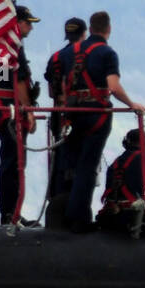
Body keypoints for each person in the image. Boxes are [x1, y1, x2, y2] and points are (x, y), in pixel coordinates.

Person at [64, 11, 145, 233]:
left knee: (72, 163)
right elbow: (113, 86)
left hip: (71, 114)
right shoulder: (107, 53)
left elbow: (58, 84)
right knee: (88, 167)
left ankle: (63, 210)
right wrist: (131, 104)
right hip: (96, 114)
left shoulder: (68, 53)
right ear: (109, 29)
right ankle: (79, 218)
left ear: (90, 29)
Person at [0, 4, 40, 226]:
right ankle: (10, 214)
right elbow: (16, 81)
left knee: (11, 163)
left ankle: (11, 213)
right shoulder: (12, 48)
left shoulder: (3, 48)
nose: (30, 28)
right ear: (17, 23)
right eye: (28, 23)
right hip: (9, 114)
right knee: (14, 163)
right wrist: (28, 111)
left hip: (1, 112)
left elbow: (1, 78)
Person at [44, 17, 86, 197]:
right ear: (84, 34)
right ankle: (75, 208)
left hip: (59, 117)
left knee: (61, 159)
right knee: (81, 164)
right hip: (81, 117)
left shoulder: (55, 58)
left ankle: (58, 202)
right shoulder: (87, 56)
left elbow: (51, 92)